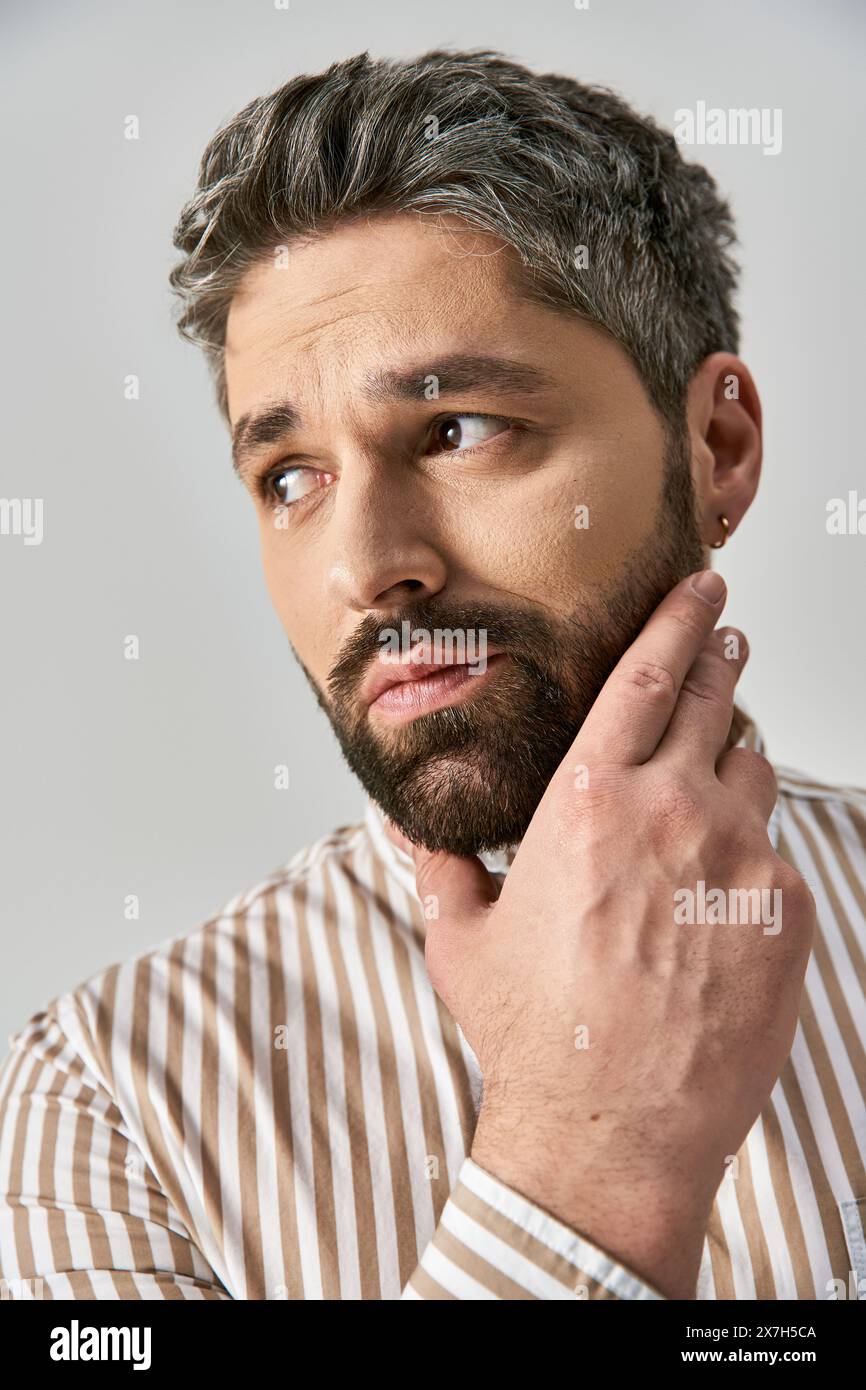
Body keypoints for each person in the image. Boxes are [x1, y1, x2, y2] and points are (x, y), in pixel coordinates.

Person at [1, 49, 864, 1302]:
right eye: (291, 477)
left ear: (715, 447)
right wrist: (583, 1163)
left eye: (456, 430)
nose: (366, 568)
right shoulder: (109, 1114)